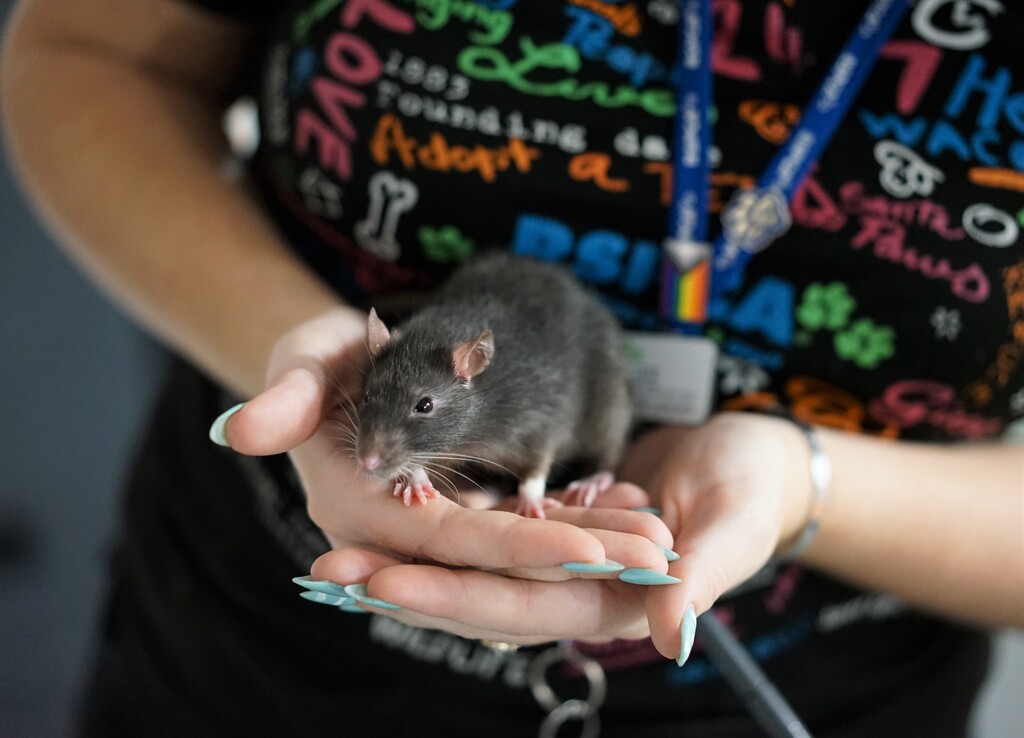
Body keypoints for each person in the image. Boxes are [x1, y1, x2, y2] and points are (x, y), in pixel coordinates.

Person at [2, 0, 1022, 735]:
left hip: (823, 693)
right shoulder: (427, 380)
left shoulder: (510, 392)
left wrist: (808, 485)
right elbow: (97, 49)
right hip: (249, 652)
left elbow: (533, 429)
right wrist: (294, 351)